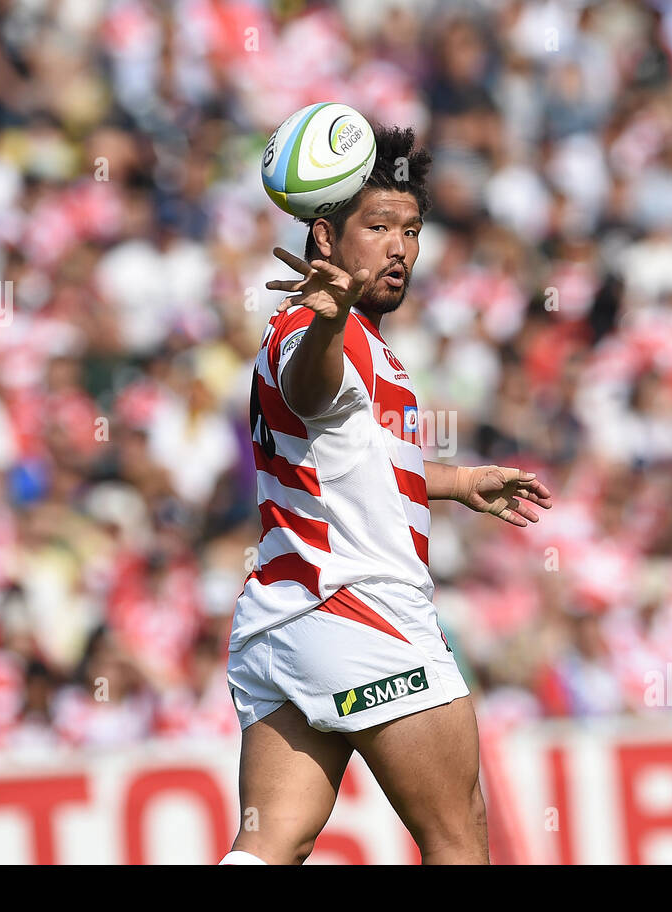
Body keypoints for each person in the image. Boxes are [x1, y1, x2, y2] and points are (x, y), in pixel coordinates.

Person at [221, 126, 552, 865]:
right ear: (325, 237)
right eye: (378, 227)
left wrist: (460, 483)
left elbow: (345, 462)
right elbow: (312, 387)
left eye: (412, 229)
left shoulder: (339, 335)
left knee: (271, 841)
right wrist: (332, 317)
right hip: (360, 607)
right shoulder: (316, 331)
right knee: (456, 831)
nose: (401, 247)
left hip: (282, 623)